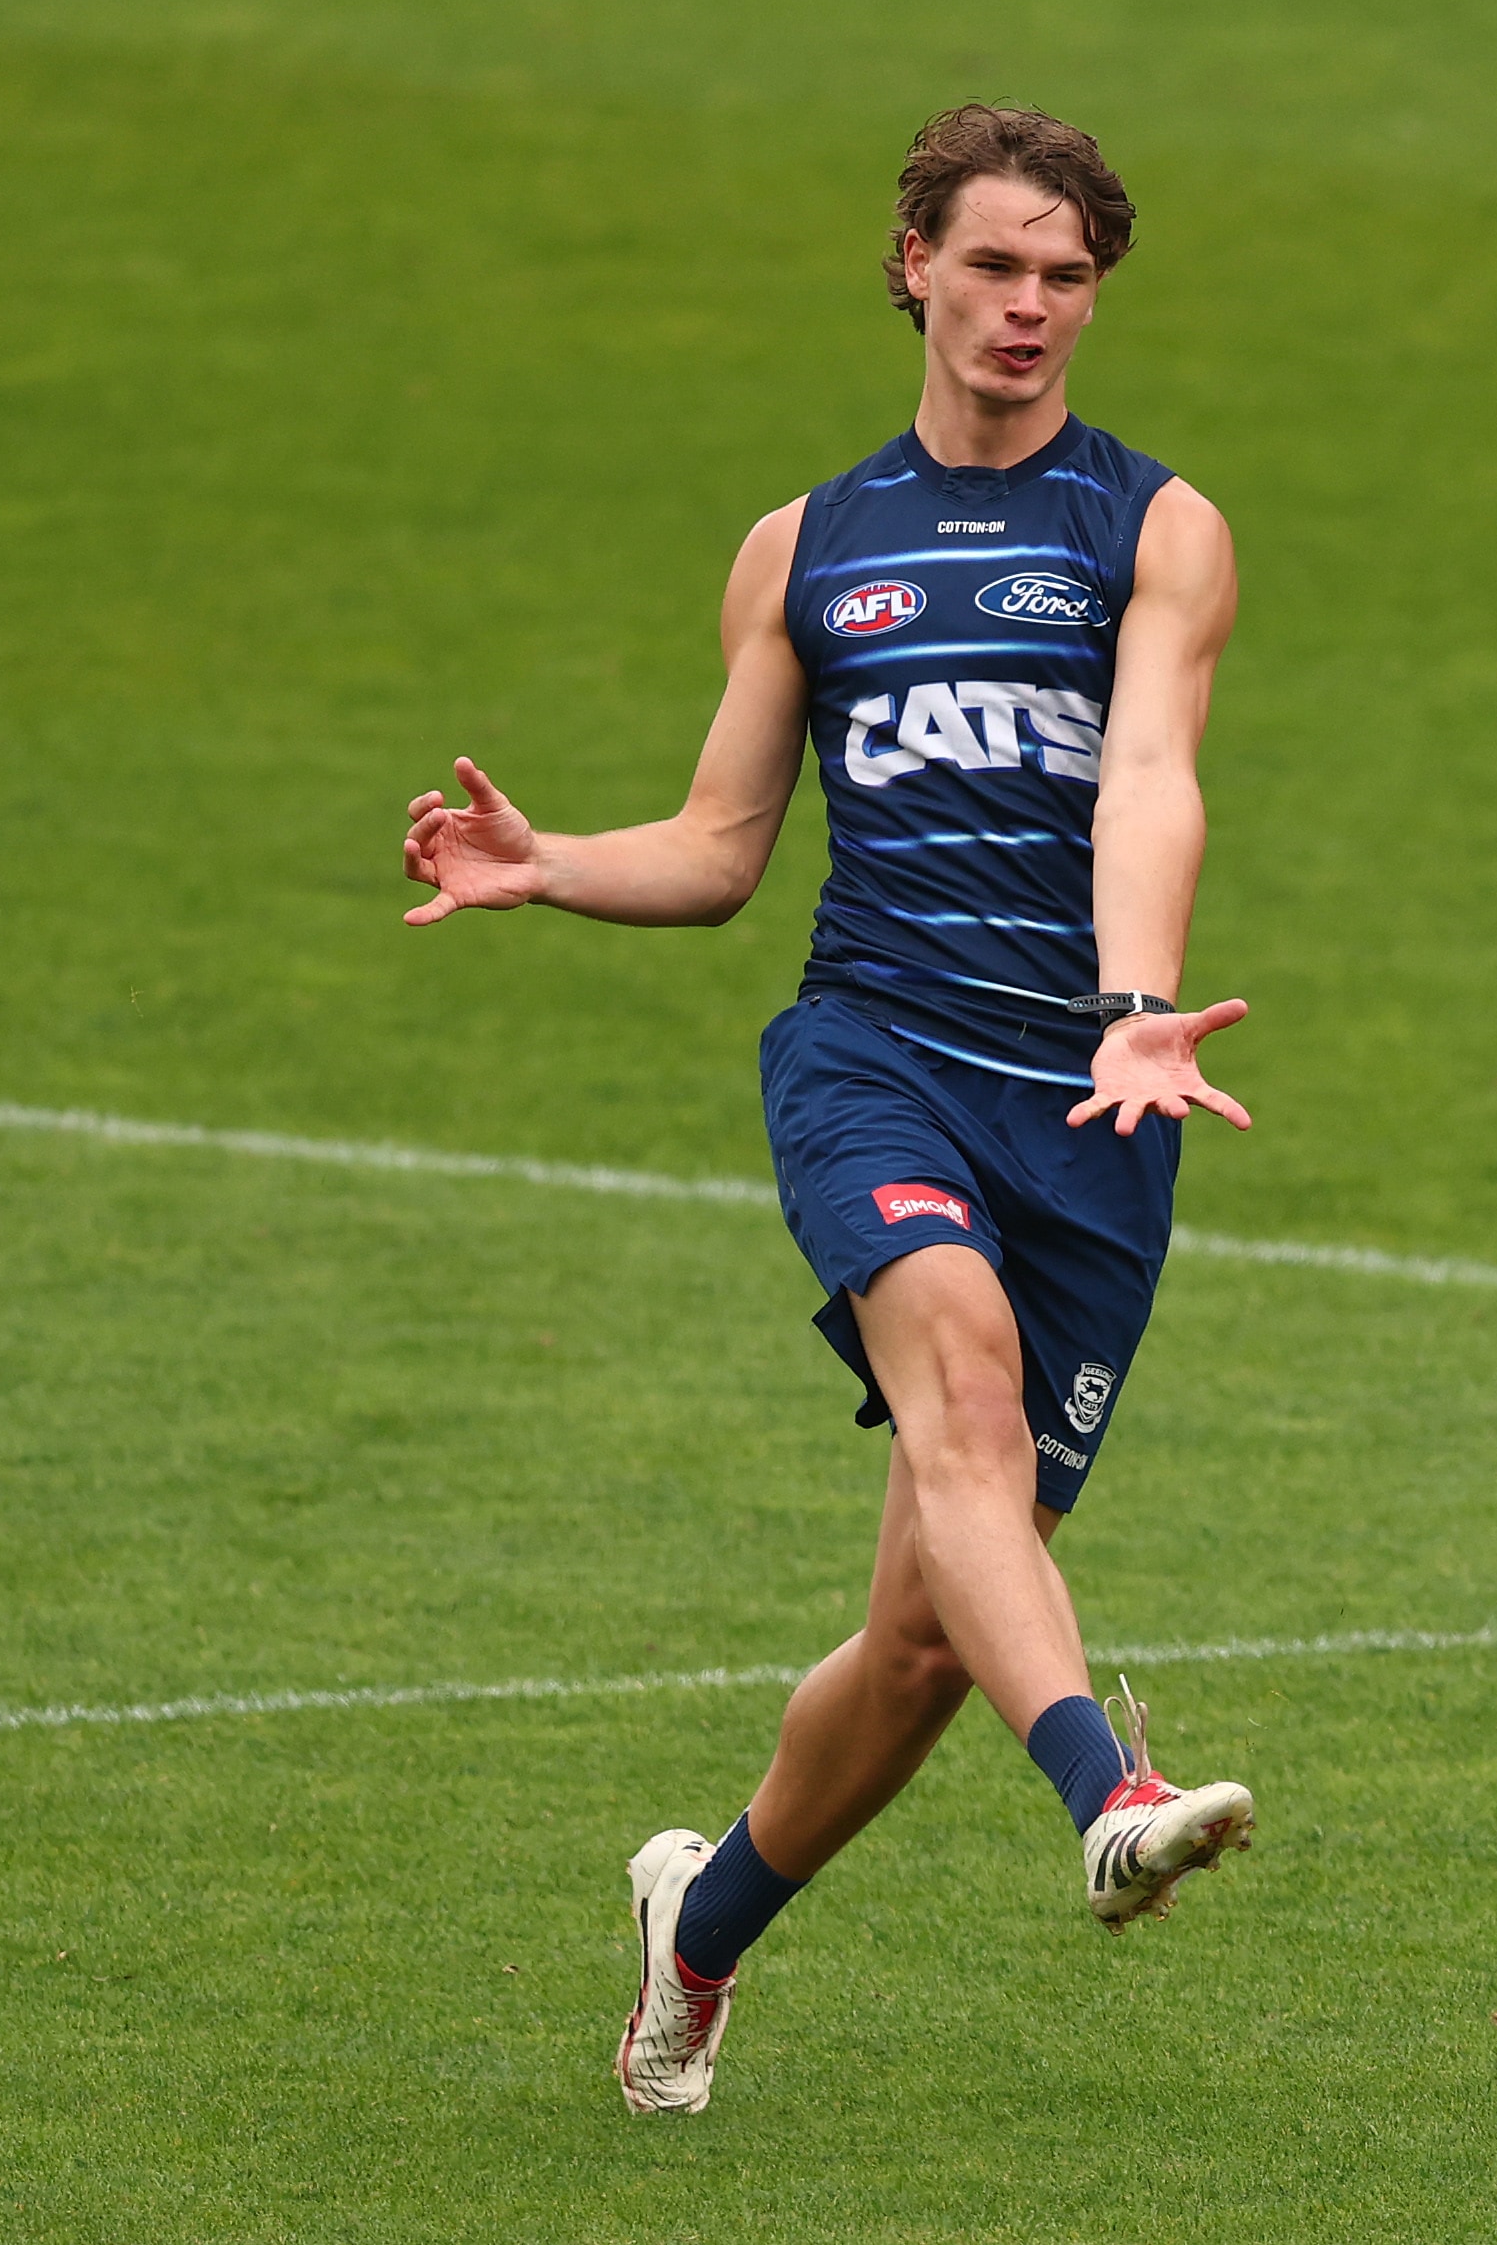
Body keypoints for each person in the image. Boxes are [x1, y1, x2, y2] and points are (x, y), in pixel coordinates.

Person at [398, 103, 1255, 2117]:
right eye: (996, 266)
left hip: (1085, 1103)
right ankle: (1111, 1796)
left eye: (1066, 277)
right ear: (913, 267)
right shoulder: (809, 547)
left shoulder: (1156, 527)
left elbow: (1148, 775)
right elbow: (717, 846)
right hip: (870, 1051)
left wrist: (1134, 1008)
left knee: (926, 1645)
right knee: (953, 1386)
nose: (1031, 307)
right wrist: (547, 867)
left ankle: (693, 1936)